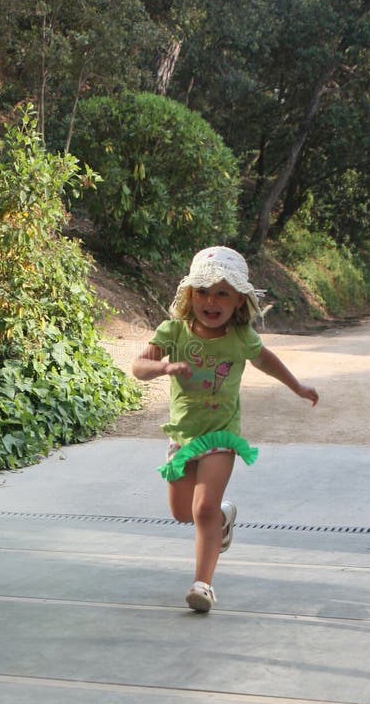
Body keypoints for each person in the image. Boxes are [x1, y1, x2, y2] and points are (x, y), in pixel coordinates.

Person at [132, 246, 318, 613]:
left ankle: (203, 584)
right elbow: (139, 366)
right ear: (189, 295)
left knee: (203, 509)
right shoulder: (173, 331)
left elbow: (267, 360)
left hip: (221, 435)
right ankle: (224, 517)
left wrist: (297, 386)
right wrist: (163, 369)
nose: (211, 301)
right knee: (183, 512)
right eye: (202, 291)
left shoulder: (240, 337)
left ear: (238, 301)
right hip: (183, 436)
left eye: (222, 293)